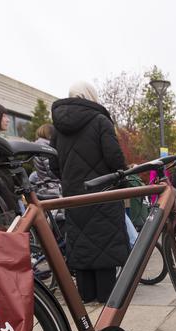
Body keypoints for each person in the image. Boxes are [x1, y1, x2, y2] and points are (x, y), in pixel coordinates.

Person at [50, 81, 129, 304]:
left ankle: (86, 295)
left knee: (81, 243)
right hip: (103, 191)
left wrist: (69, 181)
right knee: (105, 241)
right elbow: (115, 159)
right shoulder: (100, 121)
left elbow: (53, 164)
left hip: (74, 195)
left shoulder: (57, 129)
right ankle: (106, 297)